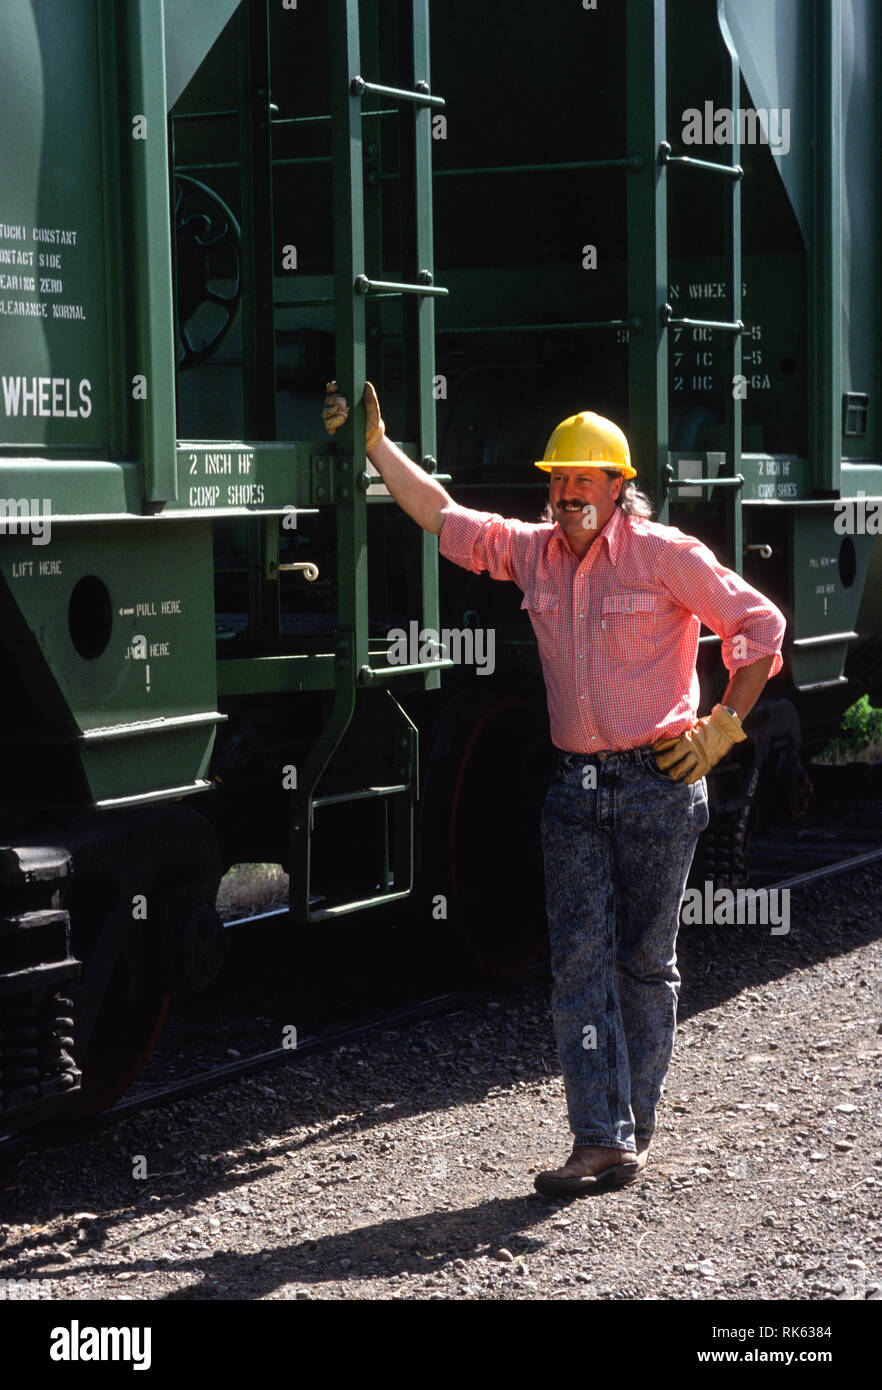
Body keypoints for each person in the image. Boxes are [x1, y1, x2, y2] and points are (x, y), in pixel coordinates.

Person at [324, 381, 786, 1196]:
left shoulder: (666, 554)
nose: (569, 495)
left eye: (585, 482)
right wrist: (374, 447)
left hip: (658, 784)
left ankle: (629, 1124)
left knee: (645, 964)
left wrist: (723, 728)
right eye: (559, 482)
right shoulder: (533, 551)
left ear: (618, 486)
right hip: (573, 792)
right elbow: (441, 515)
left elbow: (760, 628)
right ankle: (599, 1136)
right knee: (578, 963)